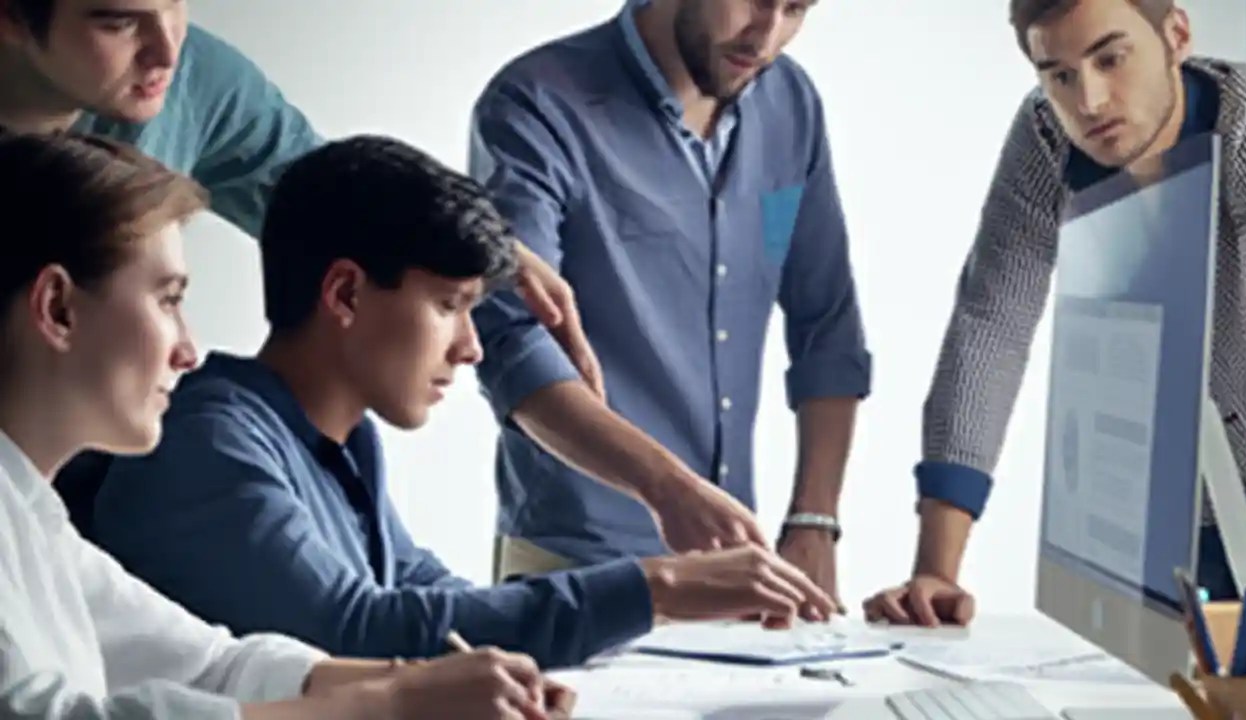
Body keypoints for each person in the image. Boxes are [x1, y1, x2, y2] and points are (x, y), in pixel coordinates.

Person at [0, 0, 761, 559]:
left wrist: (483, 253)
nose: (167, 48)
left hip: (86, 523)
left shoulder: (193, 78)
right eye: (117, 21)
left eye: (176, 4)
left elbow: (347, 200)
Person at [88, 134, 838, 671]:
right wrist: (659, 586)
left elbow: (429, 594)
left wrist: (636, 620)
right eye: (449, 304)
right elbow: (357, 629)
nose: (472, 346)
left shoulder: (337, 441)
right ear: (345, 293)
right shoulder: (209, 441)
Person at [0, 130, 576, 720]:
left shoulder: (35, 523)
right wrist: (397, 701)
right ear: (58, 309)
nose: (188, 350)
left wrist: (440, 682)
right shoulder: (209, 438)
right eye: (168, 300)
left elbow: (213, 665)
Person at [862, 0, 1246, 626]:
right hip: (1184, 497)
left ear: (1176, 34)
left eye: (1111, 58)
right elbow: (991, 324)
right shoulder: (1047, 135)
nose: (1089, 101)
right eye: (1058, 74)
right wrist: (936, 571)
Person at [468, 0, 872, 599]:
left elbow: (826, 323)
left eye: (795, 8)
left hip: (738, 569)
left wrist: (814, 519)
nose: (767, 36)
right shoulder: (538, 102)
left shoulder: (790, 104)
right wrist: (668, 490)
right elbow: (511, 346)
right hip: (574, 568)